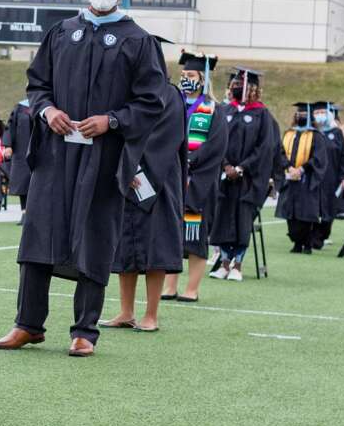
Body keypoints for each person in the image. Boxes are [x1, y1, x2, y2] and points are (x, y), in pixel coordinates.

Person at [0, 0, 166, 358]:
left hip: (103, 159)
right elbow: (37, 85)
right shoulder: (61, 31)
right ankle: (27, 324)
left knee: (95, 238)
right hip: (55, 153)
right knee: (38, 234)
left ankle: (85, 330)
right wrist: (47, 110)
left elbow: (152, 102)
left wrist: (112, 121)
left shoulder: (137, 40)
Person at [102, 38, 186, 332]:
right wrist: (125, 167)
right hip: (127, 177)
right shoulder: (126, 93)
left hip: (158, 180)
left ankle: (151, 314)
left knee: (155, 246)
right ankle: (126, 311)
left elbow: (165, 138)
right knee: (125, 246)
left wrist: (139, 169)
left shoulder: (169, 94)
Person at [162, 51, 230, 303]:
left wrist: (189, 160)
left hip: (198, 182)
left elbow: (216, 146)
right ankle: (169, 286)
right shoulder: (173, 103)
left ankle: (191, 289)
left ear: (203, 78)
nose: (185, 79)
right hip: (171, 179)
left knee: (195, 234)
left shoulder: (213, 110)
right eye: (183, 75)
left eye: (190, 75)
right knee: (170, 233)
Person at [209, 68, 279, 281]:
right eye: (235, 84)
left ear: (253, 88)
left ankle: (237, 265)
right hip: (224, 177)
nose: (237, 87)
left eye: (243, 84)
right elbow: (215, 140)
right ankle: (223, 263)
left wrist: (241, 168)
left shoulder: (261, 114)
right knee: (221, 220)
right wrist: (225, 165)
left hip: (249, 179)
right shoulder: (224, 110)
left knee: (241, 221)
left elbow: (265, 147)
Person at [276, 103, 330, 254]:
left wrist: (301, 169)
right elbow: (280, 153)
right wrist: (289, 167)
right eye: (298, 115)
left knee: (305, 214)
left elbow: (319, 158)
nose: (300, 117)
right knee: (290, 214)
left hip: (307, 180)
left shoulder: (316, 136)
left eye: (304, 115)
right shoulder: (288, 133)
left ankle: (306, 243)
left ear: (310, 118)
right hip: (289, 178)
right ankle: (296, 241)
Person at [310, 100, 344, 250]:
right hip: (314, 177)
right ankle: (310, 237)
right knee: (313, 209)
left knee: (329, 210)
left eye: (322, 112)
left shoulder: (336, 134)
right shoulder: (310, 132)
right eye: (316, 113)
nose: (319, 115)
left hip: (332, 178)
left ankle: (320, 238)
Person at [4, 100, 32, 216]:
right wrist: (8, 145)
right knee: (23, 181)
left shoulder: (48, 107)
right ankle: (24, 213)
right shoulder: (20, 107)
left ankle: (36, 213)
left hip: (42, 151)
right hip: (22, 150)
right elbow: (11, 127)